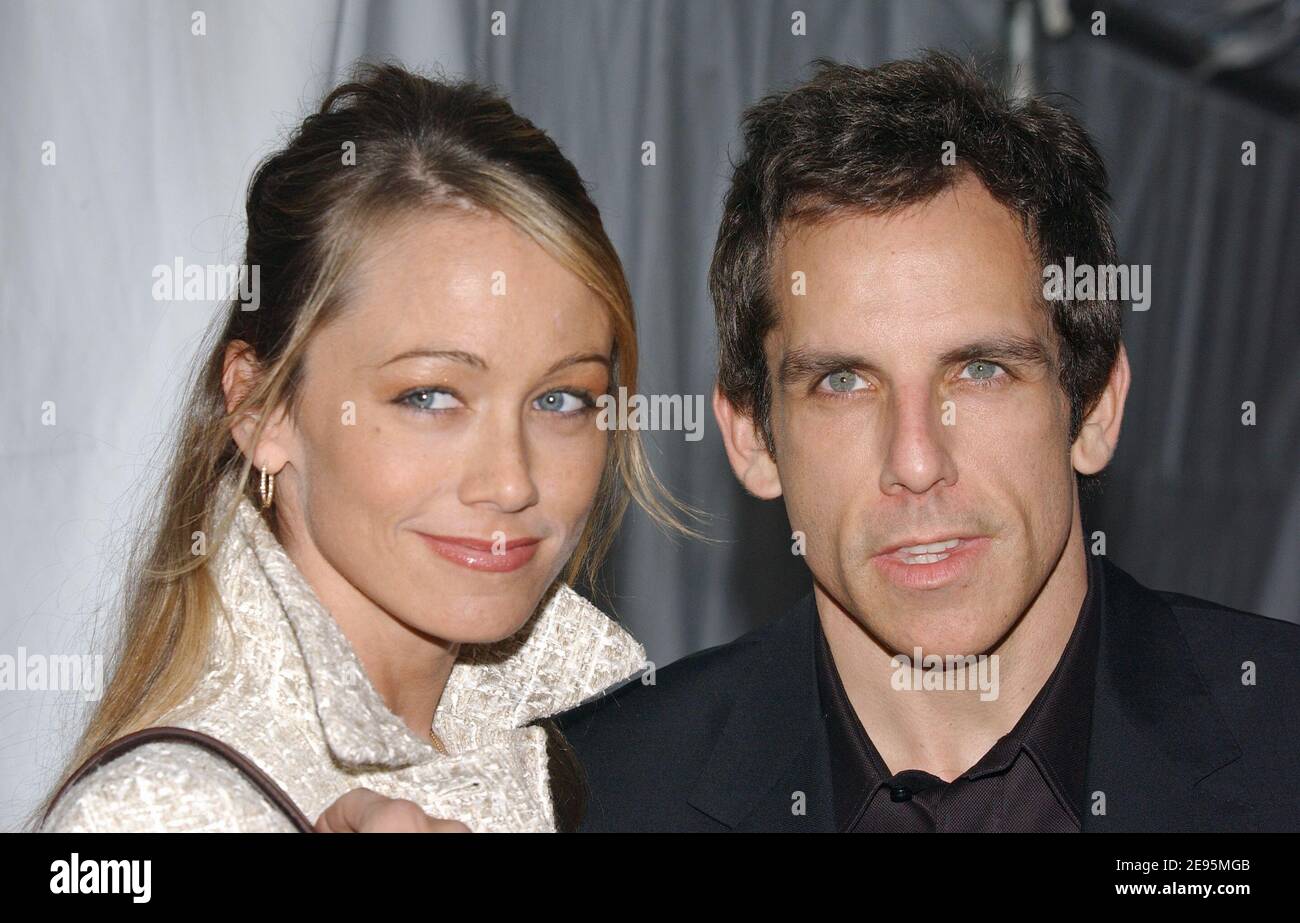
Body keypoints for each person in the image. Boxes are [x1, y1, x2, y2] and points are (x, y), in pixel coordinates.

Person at [556, 51, 1300, 832]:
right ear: (750, 436)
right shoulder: (596, 797)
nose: (915, 461)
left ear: (1096, 406)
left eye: (980, 370)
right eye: (843, 382)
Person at [35, 62, 688, 833]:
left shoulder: (601, 754)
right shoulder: (154, 815)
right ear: (261, 408)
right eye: (429, 397)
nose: (511, 481)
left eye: (560, 399)